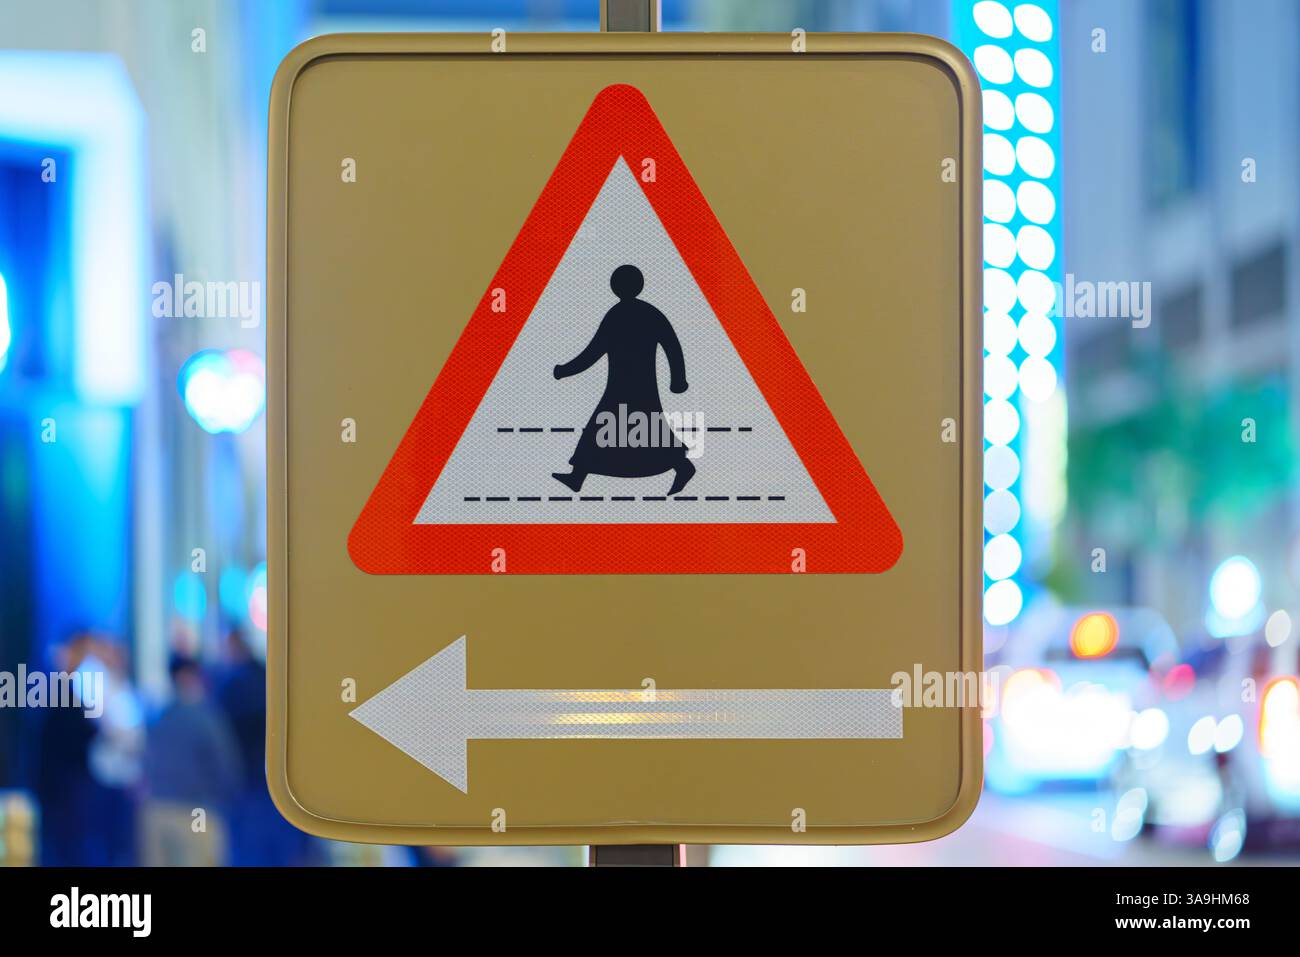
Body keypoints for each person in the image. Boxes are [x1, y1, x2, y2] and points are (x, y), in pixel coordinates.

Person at [552, 264, 696, 494]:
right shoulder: (648, 313)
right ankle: (577, 477)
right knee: (638, 426)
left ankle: (683, 466)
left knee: (617, 426)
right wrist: (678, 380)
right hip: (631, 386)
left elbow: (592, 353)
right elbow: (672, 346)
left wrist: (564, 370)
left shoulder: (617, 315)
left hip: (628, 386)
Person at [140, 654, 241, 866]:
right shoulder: (207, 718)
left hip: (158, 808)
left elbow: (145, 760)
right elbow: (226, 767)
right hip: (197, 811)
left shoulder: (159, 717)